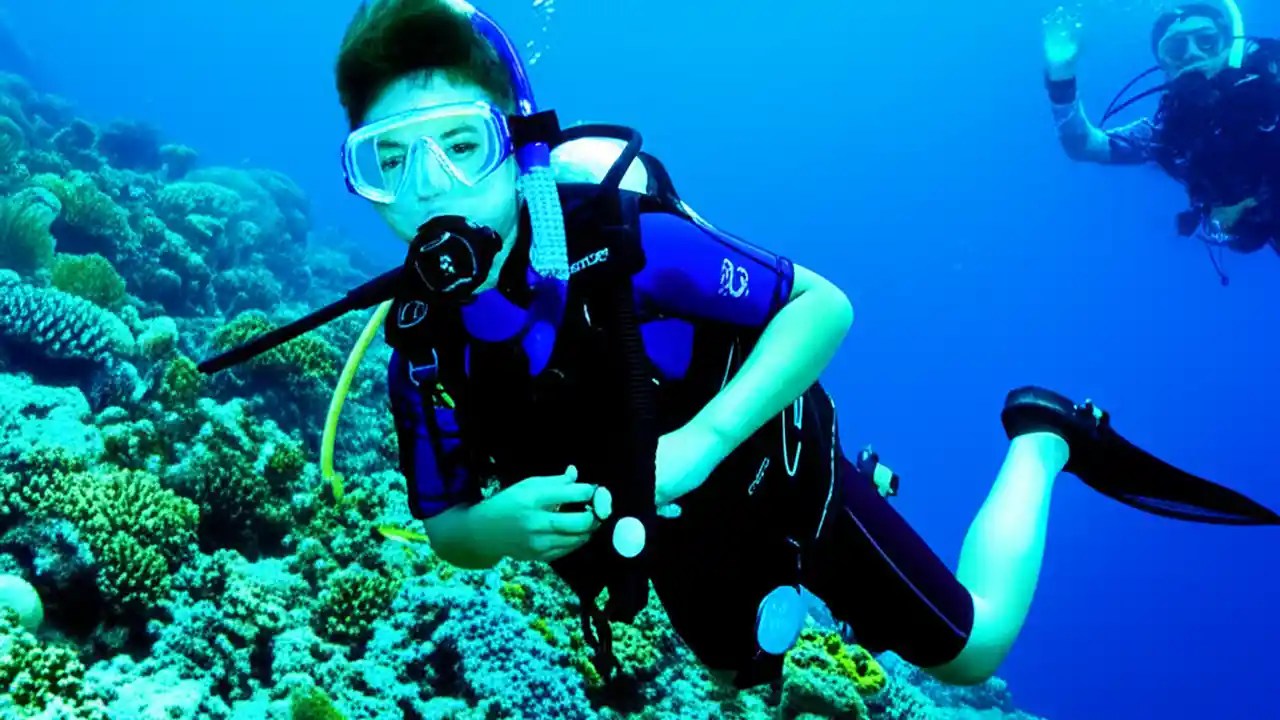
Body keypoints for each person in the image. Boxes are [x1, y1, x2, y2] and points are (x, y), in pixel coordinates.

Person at [201, 0, 1280, 692]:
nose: (432, 189)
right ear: (361, 179)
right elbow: (443, 528)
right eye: (391, 161)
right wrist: (490, 525)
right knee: (734, 681)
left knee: (973, 653)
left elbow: (822, 308)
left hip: (780, 478)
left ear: (519, 143)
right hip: (664, 542)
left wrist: (704, 440)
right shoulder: (420, 351)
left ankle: (1040, 437)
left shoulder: (620, 242)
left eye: (461, 146)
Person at [1043, 1, 1280, 267]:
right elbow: (1084, 145)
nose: (1192, 53)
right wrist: (1061, 78)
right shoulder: (1165, 134)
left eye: (1206, 41)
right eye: (1176, 49)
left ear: (1228, 45)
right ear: (1163, 64)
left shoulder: (1272, 81)